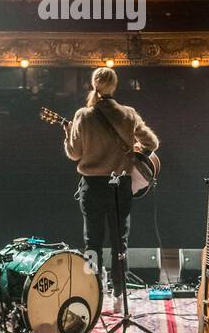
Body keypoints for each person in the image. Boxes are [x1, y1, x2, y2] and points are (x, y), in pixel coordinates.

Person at [62, 67, 159, 313]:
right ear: (114, 87)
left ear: (93, 85)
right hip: (119, 185)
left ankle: (93, 293)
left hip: (92, 186)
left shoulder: (83, 115)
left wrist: (68, 134)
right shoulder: (128, 114)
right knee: (119, 243)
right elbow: (153, 143)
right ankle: (119, 296)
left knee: (92, 242)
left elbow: (74, 154)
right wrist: (134, 150)